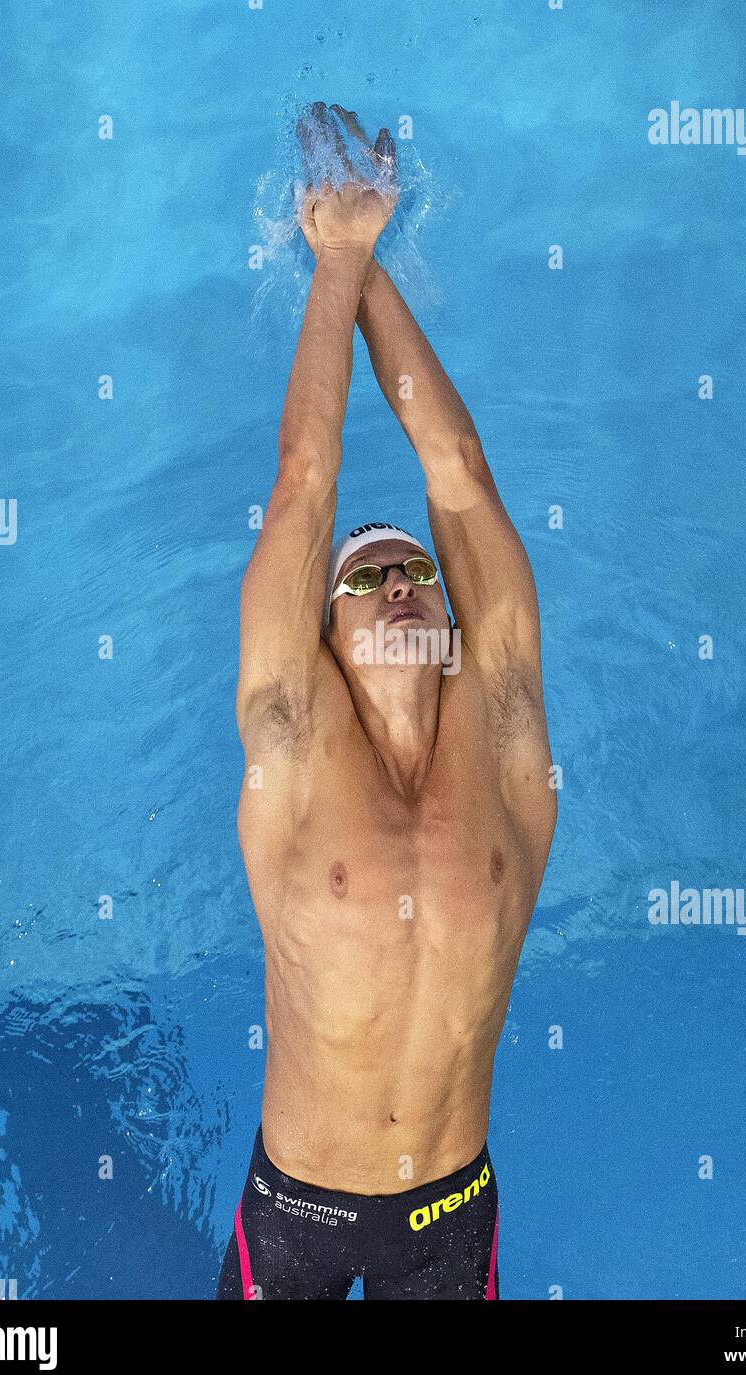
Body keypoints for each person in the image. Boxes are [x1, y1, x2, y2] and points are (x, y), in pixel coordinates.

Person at [216, 103, 556, 1300]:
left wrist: (373, 275)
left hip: (451, 1213)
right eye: (367, 579)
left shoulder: (504, 729)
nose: (401, 586)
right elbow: (306, 485)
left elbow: (458, 482)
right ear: (325, 636)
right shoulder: (291, 738)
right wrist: (339, 261)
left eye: (414, 569)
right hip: (298, 1210)